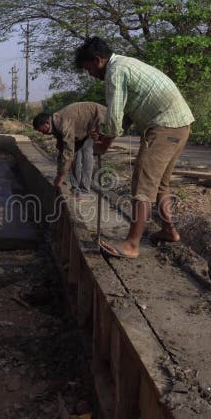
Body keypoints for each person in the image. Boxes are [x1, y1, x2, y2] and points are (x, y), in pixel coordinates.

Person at [75, 37, 194, 259]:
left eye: (88, 68)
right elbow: (127, 113)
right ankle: (169, 231)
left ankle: (131, 244)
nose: (90, 74)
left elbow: (115, 114)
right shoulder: (126, 65)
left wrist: (104, 144)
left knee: (142, 184)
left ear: (98, 60)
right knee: (160, 184)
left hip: (165, 125)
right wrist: (105, 136)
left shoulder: (115, 72)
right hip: (180, 124)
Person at [32, 102, 107, 196]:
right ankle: (76, 188)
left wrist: (61, 177)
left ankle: (84, 190)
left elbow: (68, 152)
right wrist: (59, 172)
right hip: (80, 131)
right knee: (75, 157)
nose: (42, 133)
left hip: (96, 120)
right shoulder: (55, 126)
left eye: (41, 130)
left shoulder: (63, 123)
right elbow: (61, 150)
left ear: (47, 123)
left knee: (86, 156)